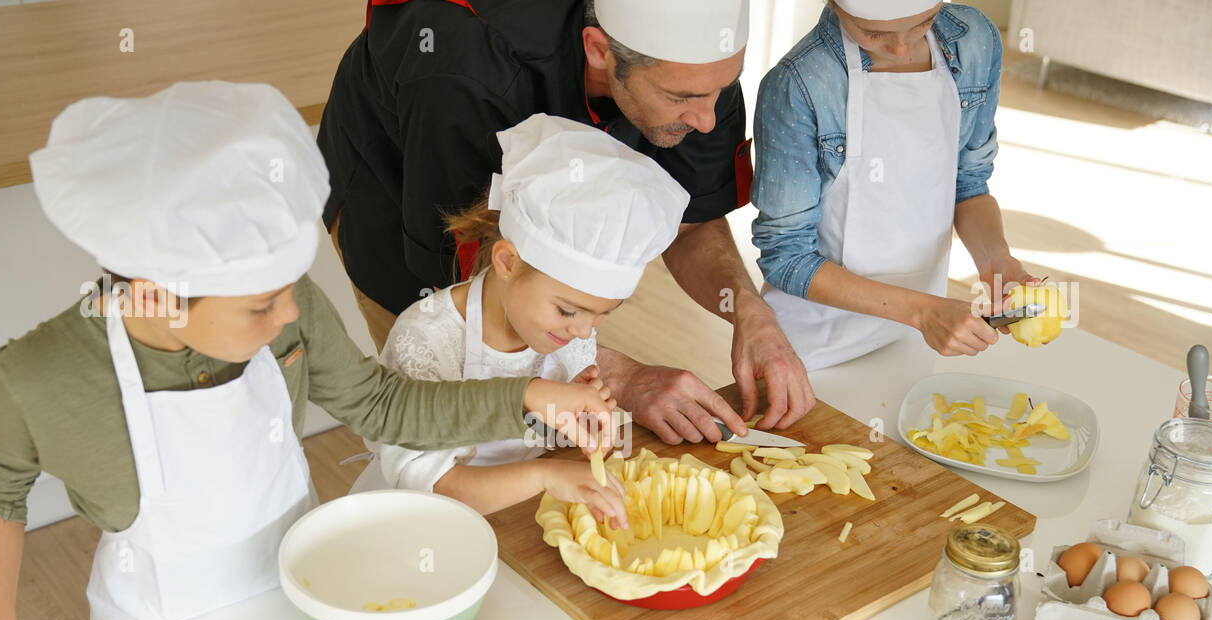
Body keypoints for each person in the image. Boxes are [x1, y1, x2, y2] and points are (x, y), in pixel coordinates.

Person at [0, 82, 616, 620]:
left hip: (307, 597)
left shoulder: (285, 308)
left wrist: (532, 394)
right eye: (262, 305)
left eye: (291, 287)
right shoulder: (42, 377)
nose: (291, 316)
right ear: (160, 295)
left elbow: (383, 406)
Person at [318, 0, 817, 444]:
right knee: (448, 416)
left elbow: (691, 221)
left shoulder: (699, 68)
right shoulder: (465, 62)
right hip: (401, 195)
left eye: (723, 89)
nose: (707, 120)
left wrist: (751, 314)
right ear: (599, 49)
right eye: (680, 98)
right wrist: (619, 377)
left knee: (546, 440)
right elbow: (473, 284)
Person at [355, 114, 690, 519]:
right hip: (417, 525)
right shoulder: (426, 339)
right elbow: (435, 488)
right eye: (568, 310)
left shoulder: (569, 332)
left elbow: (535, 433)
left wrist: (579, 421)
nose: (584, 331)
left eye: (602, 316)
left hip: (513, 519)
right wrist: (546, 475)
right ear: (508, 262)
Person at [752, 1, 1040, 371]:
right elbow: (786, 257)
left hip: (919, 335)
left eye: (923, 23)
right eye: (875, 33)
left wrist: (996, 262)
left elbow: (968, 184)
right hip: (815, 346)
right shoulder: (800, 83)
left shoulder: (974, 42)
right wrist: (922, 312)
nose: (902, 48)